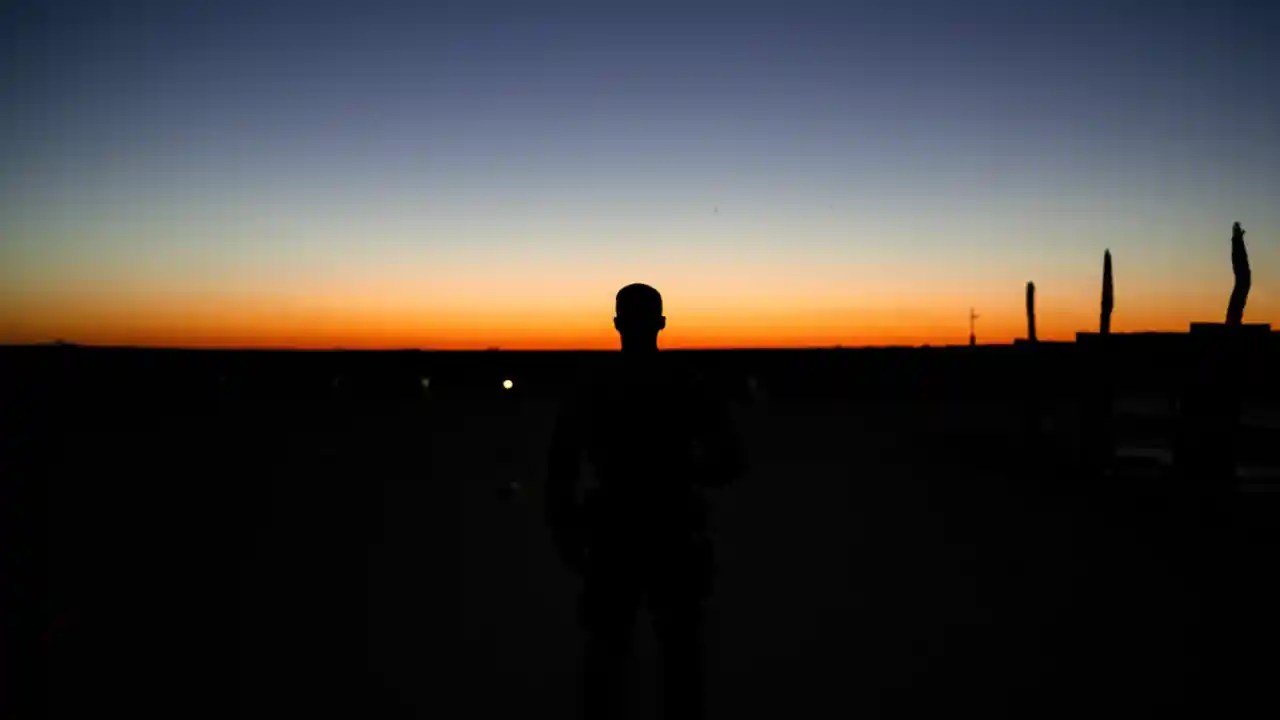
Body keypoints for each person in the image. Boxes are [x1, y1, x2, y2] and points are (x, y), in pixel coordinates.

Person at [546, 283, 743, 720]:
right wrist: (684, 474)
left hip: (622, 536)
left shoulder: (595, 385)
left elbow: (561, 468)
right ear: (661, 323)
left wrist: (566, 528)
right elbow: (729, 460)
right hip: (665, 534)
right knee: (673, 658)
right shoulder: (686, 383)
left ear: (617, 323)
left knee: (615, 657)